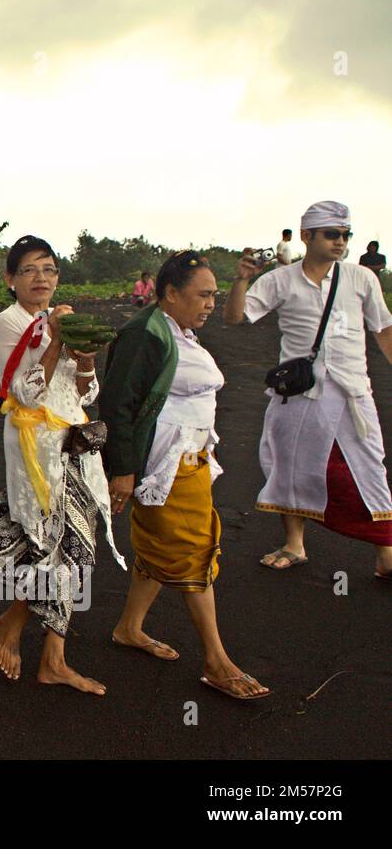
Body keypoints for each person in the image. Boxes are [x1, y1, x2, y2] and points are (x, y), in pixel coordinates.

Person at [101, 251, 269, 700]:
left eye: (215, 295)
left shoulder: (176, 330)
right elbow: (117, 403)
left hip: (191, 459)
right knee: (194, 553)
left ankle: (129, 627)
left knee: (162, 547)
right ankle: (216, 661)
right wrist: (123, 471)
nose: (211, 303)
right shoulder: (145, 334)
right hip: (166, 465)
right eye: (204, 294)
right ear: (171, 293)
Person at [0, 235, 124, 695]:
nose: (41, 278)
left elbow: (85, 394)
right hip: (37, 451)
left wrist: (86, 359)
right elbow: (26, 393)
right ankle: (34, 643)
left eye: (49, 269)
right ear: (10, 279)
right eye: (29, 270)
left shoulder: (61, 320)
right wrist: (54, 341)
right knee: (52, 546)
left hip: (76, 444)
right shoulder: (7, 324)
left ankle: (37, 643)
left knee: (77, 549)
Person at [225, 201, 392, 579]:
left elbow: (382, 328)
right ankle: (294, 544)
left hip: (352, 392)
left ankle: (386, 554)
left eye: (345, 235)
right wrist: (241, 279)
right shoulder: (281, 280)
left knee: (368, 468)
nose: (340, 241)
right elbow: (236, 317)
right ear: (306, 236)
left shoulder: (361, 278)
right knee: (290, 465)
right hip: (300, 392)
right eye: (332, 234)